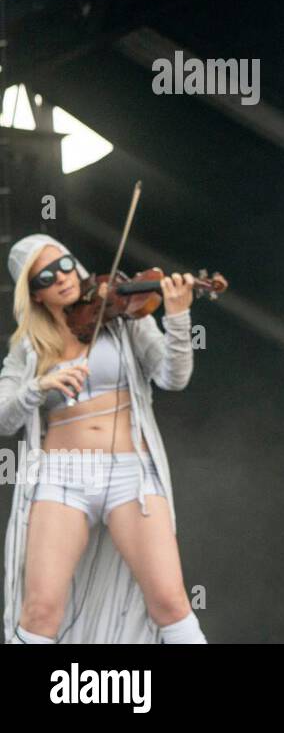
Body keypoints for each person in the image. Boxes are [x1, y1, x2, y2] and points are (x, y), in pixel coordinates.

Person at [0, 234, 206, 643]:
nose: (61, 278)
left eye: (64, 264)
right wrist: (38, 387)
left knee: (169, 601)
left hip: (130, 472)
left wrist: (178, 317)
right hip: (61, 476)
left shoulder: (124, 317)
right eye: (44, 277)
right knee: (40, 610)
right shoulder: (28, 347)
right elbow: (4, 418)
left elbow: (172, 378)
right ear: (35, 295)